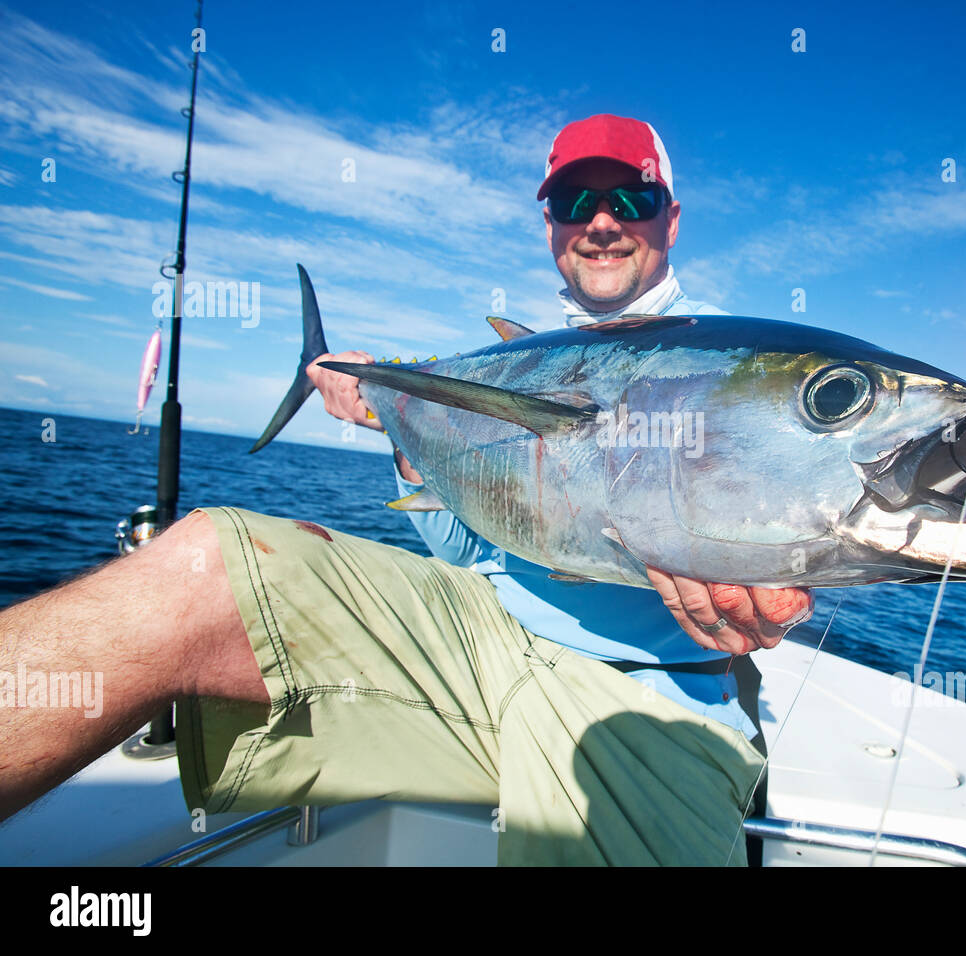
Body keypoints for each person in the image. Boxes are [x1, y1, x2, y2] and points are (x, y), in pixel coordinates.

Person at [0, 115, 811, 865]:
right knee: (193, 571)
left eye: (632, 196)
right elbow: (469, 548)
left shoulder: (739, 359)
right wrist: (409, 436)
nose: (601, 220)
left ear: (671, 218)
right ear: (552, 225)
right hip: (483, 633)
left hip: (639, 689)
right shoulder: (518, 361)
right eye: (575, 199)